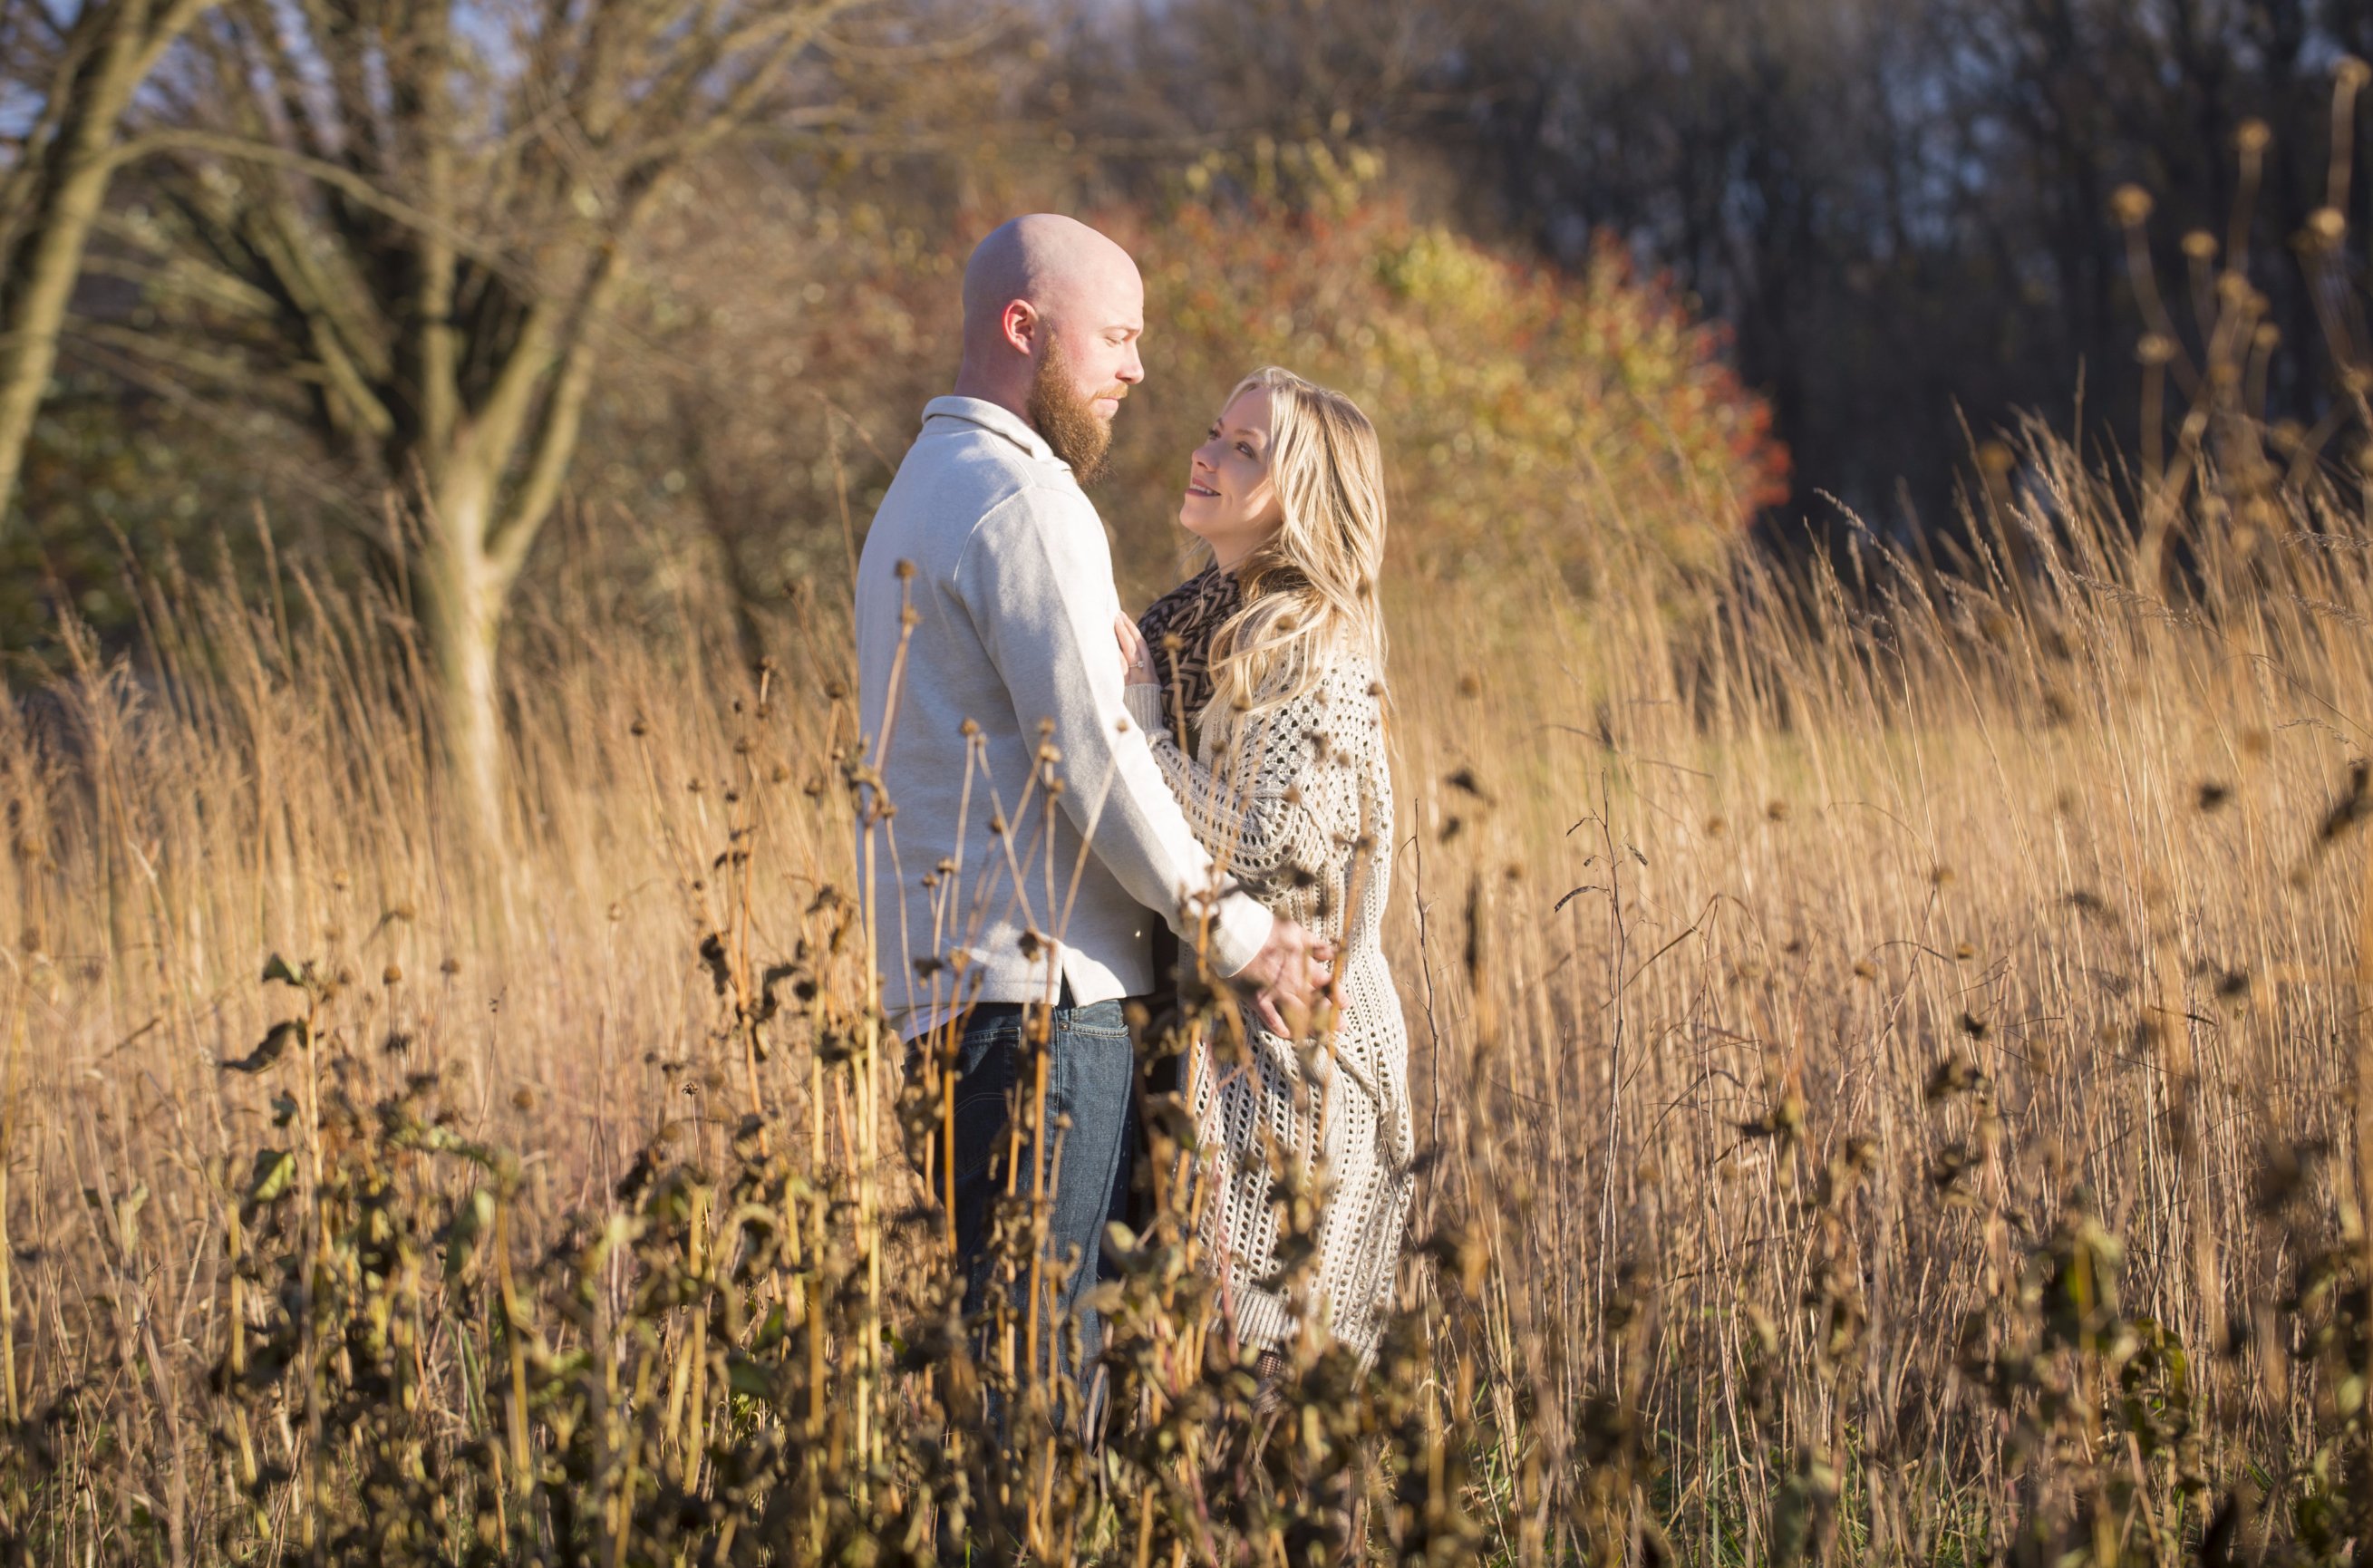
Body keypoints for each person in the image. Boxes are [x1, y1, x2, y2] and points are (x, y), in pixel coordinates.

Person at [852, 217, 1333, 1402]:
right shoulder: (1022, 502)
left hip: (957, 1011)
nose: (1134, 369)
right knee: (1047, 1388)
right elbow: (1095, 767)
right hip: (1042, 1015)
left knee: (1026, 1370)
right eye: (1114, 337)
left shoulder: (919, 493)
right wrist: (1244, 938)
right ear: (1026, 329)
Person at [1116, 368, 1414, 1369]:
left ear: (1304, 493)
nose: (1207, 452)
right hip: (1262, 1038)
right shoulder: (1229, 622)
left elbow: (1266, 846)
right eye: (1215, 432)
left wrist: (1140, 732)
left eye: (1246, 447)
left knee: (1280, 1369)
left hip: (1301, 1047)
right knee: (1252, 1366)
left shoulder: (1305, 640)